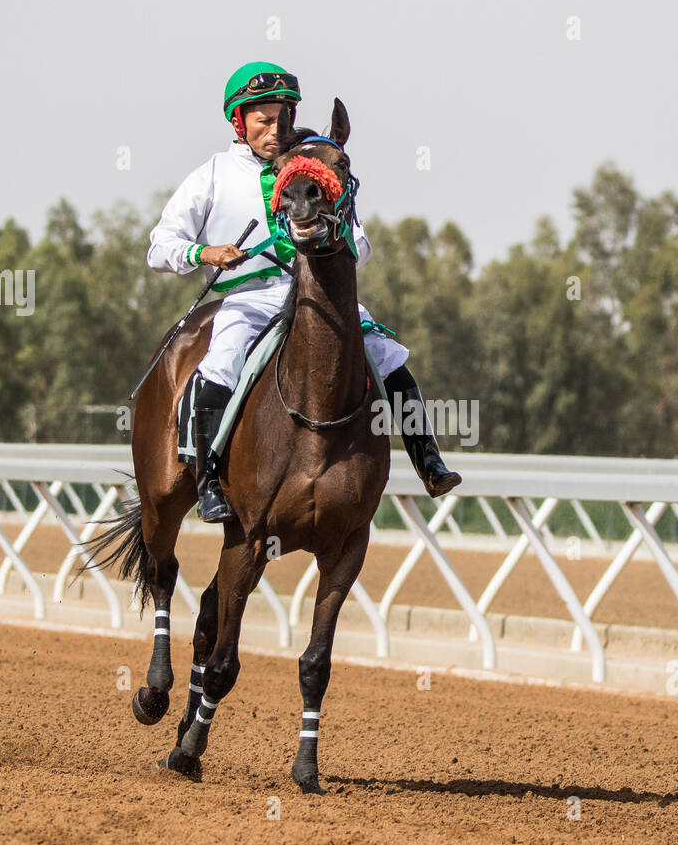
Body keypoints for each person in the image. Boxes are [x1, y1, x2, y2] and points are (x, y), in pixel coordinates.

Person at [147, 61, 461, 522]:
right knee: (221, 361)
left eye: (283, 117)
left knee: (389, 355)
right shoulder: (211, 175)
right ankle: (209, 480)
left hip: (319, 296)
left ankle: (428, 461)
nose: (276, 128)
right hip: (248, 300)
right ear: (239, 122)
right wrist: (206, 253)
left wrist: (332, 238)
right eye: (264, 118)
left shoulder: (310, 167)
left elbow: (363, 241)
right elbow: (160, 248)